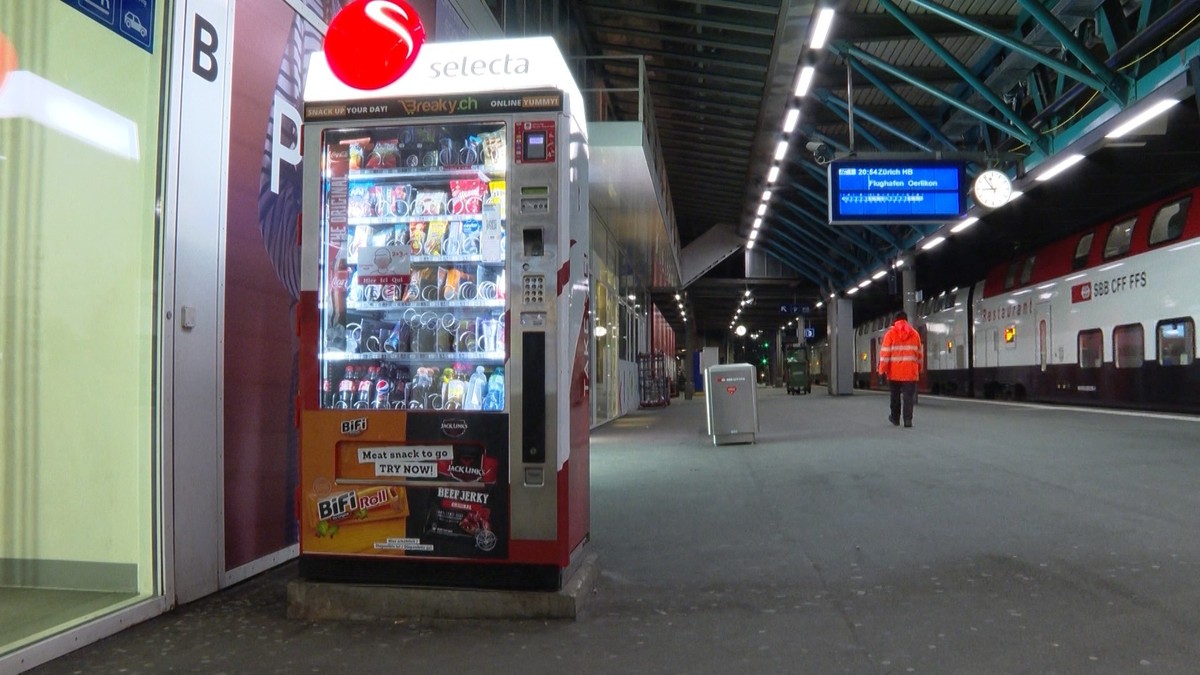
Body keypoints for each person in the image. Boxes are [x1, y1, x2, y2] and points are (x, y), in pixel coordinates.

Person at [877, 311, 923, 428]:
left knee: (895, 395)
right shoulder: (915, 334)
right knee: (908, 397)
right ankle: (908, 420)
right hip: (910, 372)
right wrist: (919, 369)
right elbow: (919, 355)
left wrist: (882, 370)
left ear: (895, 320)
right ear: (906, 320)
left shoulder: (890, 334)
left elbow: (885, 354)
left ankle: (895, 418)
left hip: (894, 372)